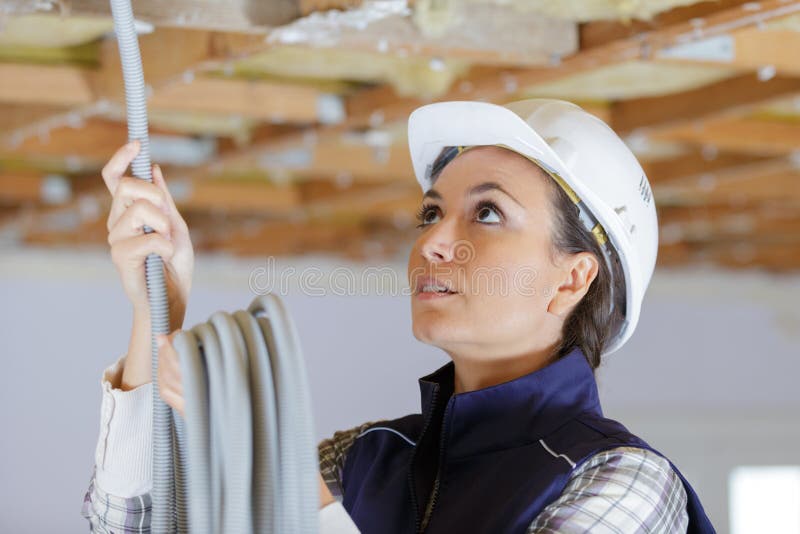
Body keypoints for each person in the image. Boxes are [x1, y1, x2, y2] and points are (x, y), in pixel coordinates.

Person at [82, 98, 715, 533]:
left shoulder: (625, 482)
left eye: (487, 212)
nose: (433, 242)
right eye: (432, 213)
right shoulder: (370, 457)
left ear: (573, 277)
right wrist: (155, 315)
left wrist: (260, 444)